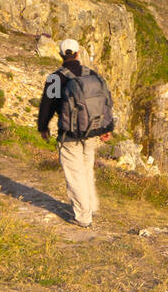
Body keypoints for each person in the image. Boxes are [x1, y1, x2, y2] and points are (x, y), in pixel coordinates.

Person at [36, 39, 114, 228]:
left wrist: (43, 127)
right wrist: (107, 128)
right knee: (87, 169)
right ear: (78, 54)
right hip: (92, 131)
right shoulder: (92, 75)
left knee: (74, 174)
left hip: (69, 135)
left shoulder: (56, 78)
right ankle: (91, 206)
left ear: (61, 55)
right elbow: (105, 102)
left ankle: (83, 216)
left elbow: (48, 105)